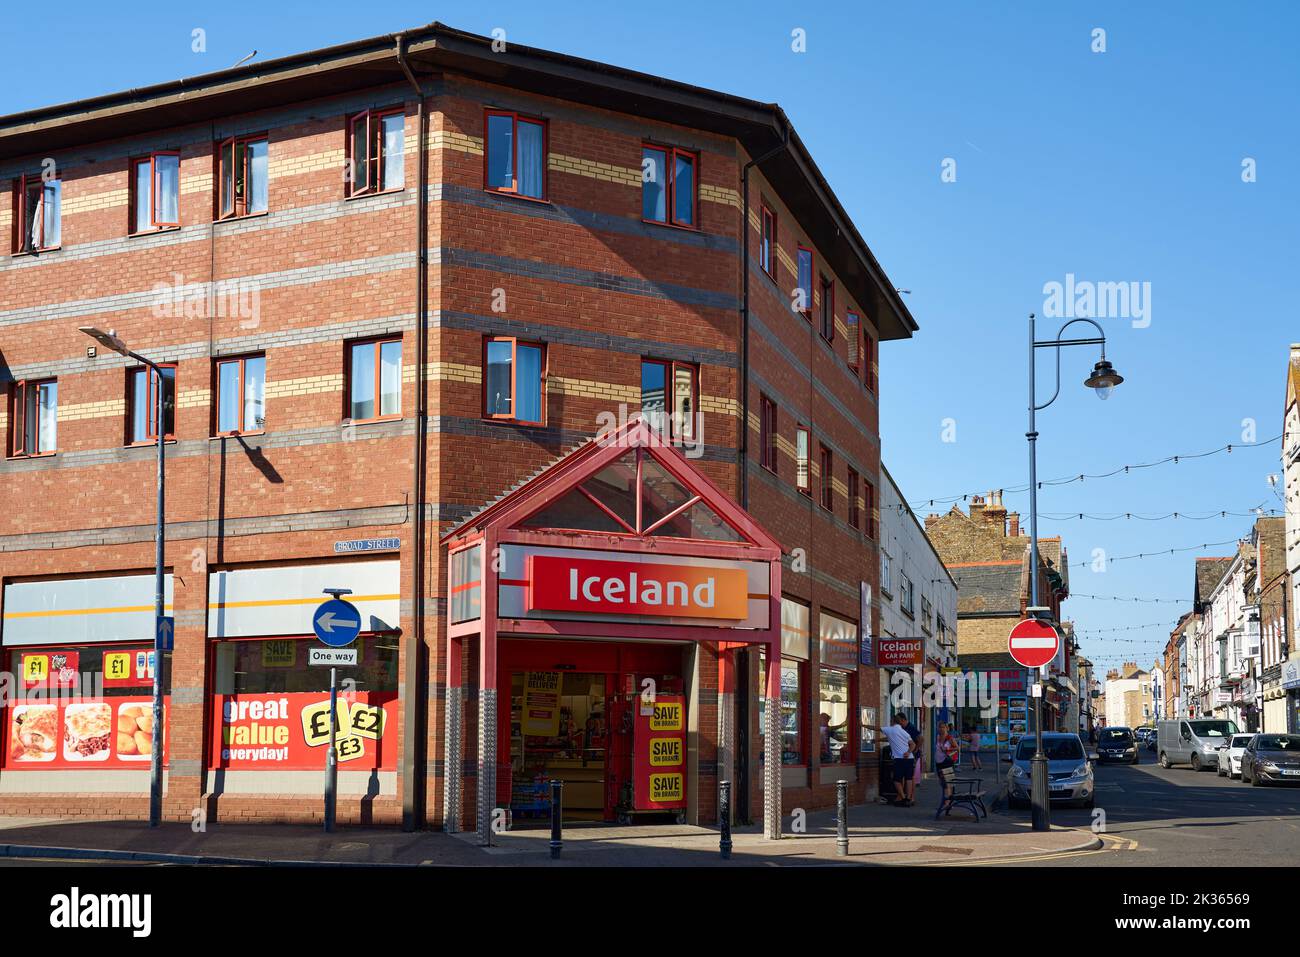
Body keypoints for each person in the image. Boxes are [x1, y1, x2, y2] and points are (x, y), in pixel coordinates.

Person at [874, 713, 918, 806]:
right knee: (908, 779)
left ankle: (903, 798)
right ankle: (909, 799)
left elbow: (875, 728)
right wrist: (908, 752)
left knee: (896, 780)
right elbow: (913, 744)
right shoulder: (904, 732)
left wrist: (863, 725)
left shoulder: (890, 729)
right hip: (909, 759)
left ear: (893, 721)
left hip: (899, 759)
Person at [935, 721, 960, 804]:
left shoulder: (950, 738)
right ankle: (948, 800)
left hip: (947, 761)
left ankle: (947, 803)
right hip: (939, 762)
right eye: (940, 727)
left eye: (943, 727)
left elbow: (957, 748)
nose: (941, 729)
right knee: (943, 783)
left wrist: (948, 749)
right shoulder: (938, 737)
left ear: (947, 728)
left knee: (947, 783)